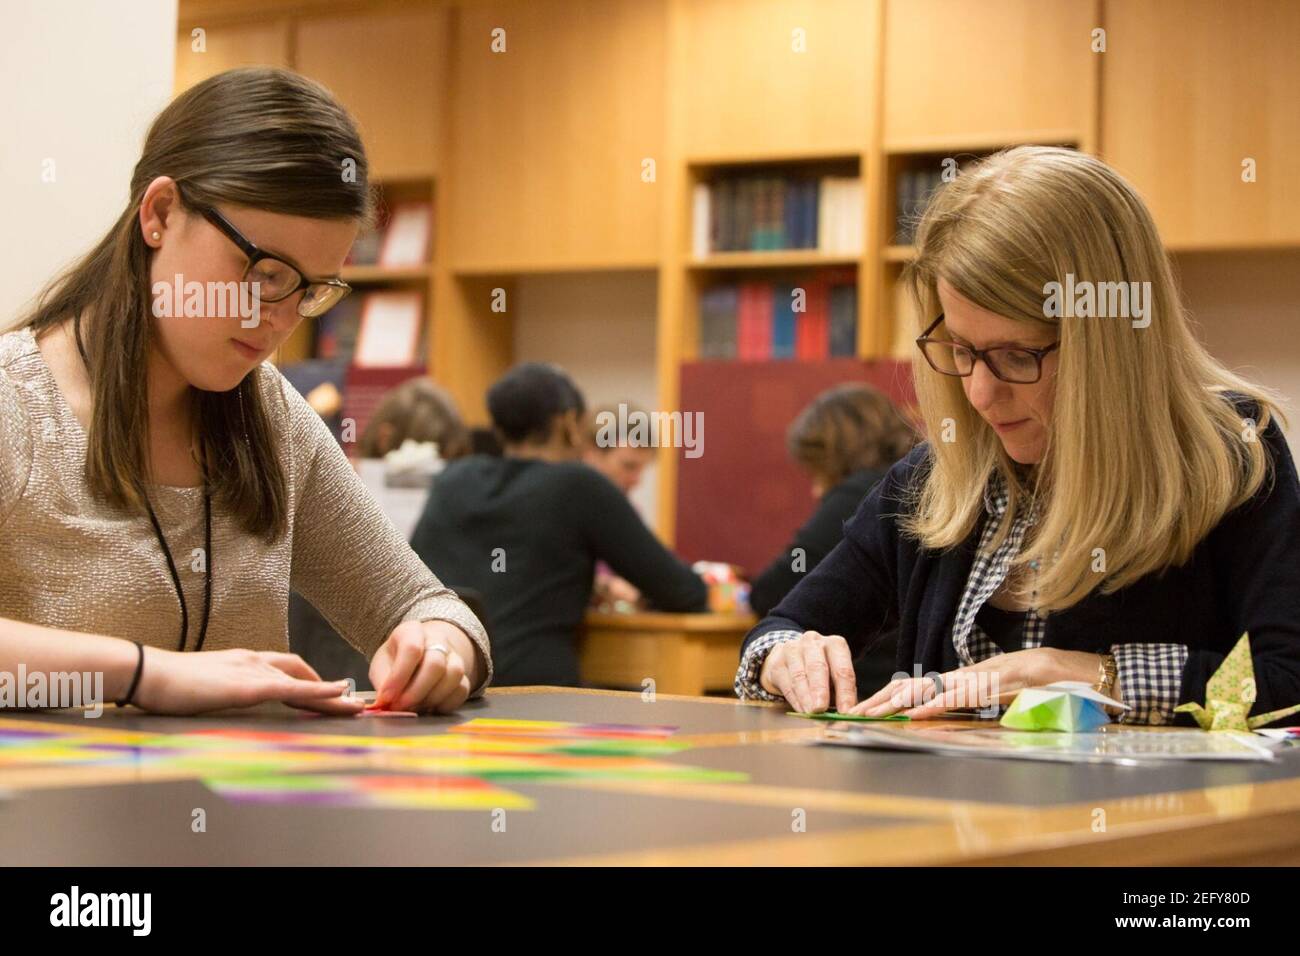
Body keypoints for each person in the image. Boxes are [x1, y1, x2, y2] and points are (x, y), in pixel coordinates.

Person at [737, 146, 1300, 727]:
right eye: (960, 349)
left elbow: (1285, 684)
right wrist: (784, 656)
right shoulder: (937, 477)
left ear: (1108, 343)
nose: (980, 394)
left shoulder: (1232, 455)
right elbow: (778, 629)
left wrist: (1073, 673)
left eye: (1016, 355)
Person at [0, 67, 490, 716]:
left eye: (312, 288)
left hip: (244, 813)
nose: (283, 317)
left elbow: (426, 606)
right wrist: (147, 674)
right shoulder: (17, 407)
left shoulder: (274, 418)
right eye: (264, 272)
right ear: (161, 213)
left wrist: (441, 649)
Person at [411, 363, 707, 685]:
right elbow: (682, 591)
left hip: (444, 682)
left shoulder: (453, 479)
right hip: (537, 694)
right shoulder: (579, 485)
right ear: (567, 423)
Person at [746, 383, 916, 692]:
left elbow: (773, 590)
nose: (816, 490)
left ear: (834, 455)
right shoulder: (916, 481)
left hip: (868, 689)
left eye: (817, 472)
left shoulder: (863, 489)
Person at [582, 401, 657, 609]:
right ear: (591, 455)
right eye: (629, 466)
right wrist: (606, 586)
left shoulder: (631, 512)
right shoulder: (558, 506)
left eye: (642, 469)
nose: (637, 480)